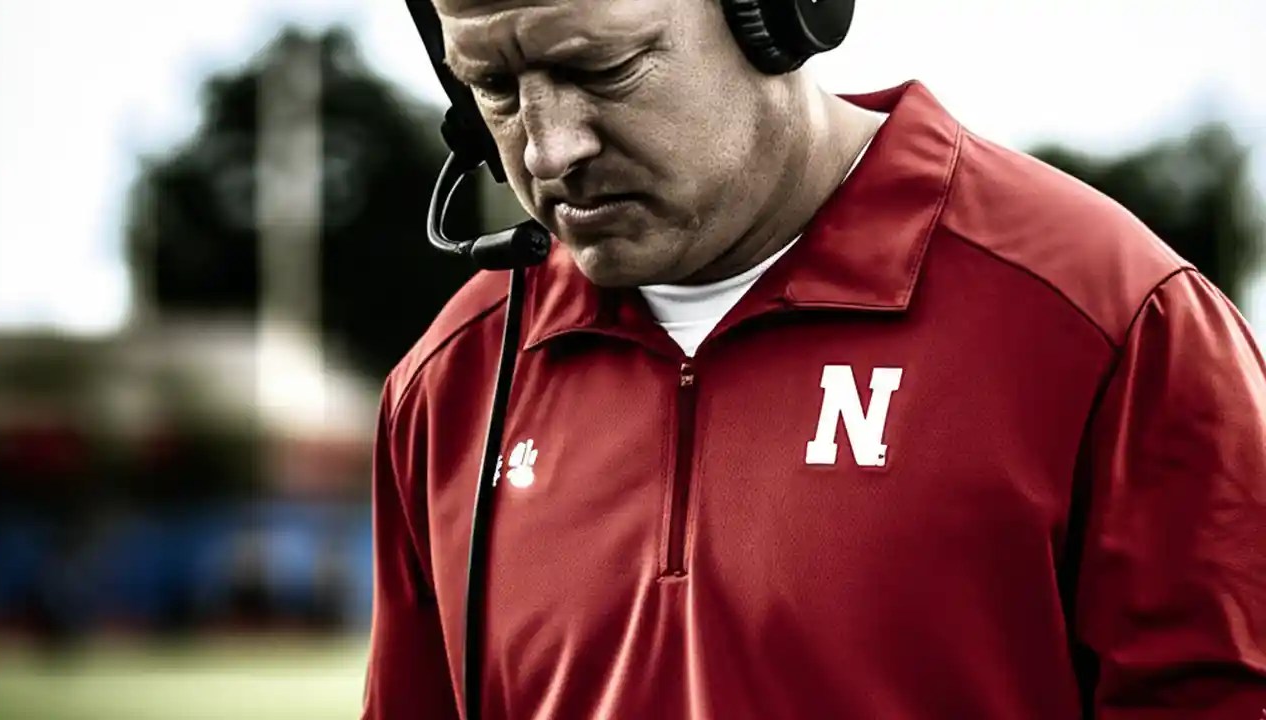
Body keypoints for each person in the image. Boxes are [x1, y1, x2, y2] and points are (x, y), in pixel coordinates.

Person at [363, 0, 1266, 717]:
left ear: (776, 15)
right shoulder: (452, 382)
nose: (552, 147)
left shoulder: (1111, 319)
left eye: (605, 68)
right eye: (494, 86)